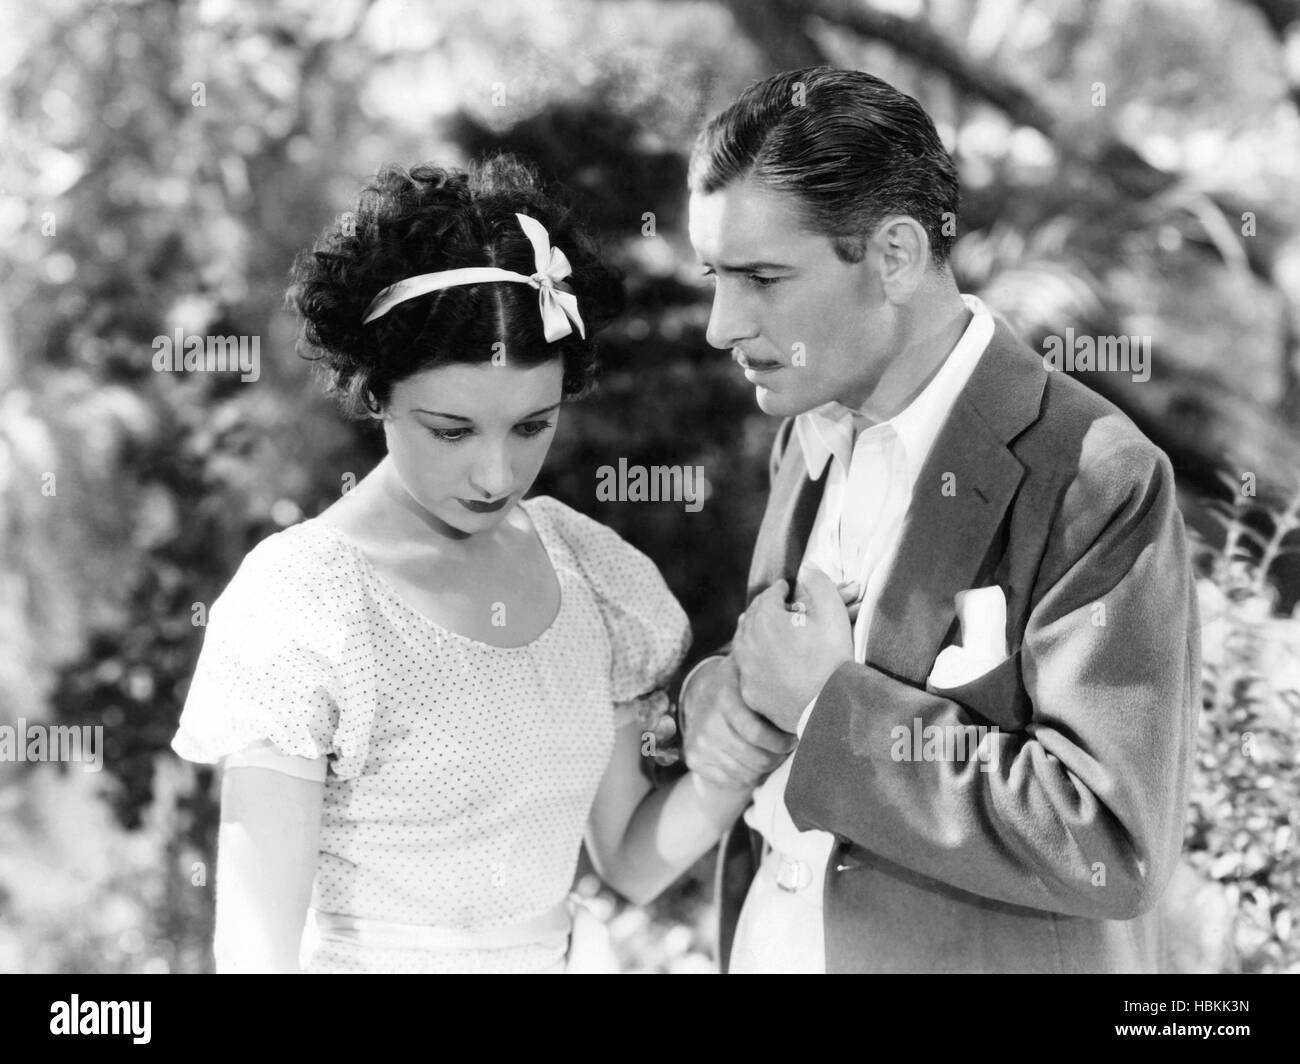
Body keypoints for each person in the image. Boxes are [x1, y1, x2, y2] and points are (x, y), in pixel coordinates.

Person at [675, 67, 1201, 973]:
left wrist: (826, 709)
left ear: (895, 255)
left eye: (761, 277)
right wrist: (713, 696)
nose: (723, 324)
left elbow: (1112, 838)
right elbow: (783, 661)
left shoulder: (1096, 477)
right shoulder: (803, 432)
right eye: (716, 275)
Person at [171, 155, 750, 973]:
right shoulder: (303, 604)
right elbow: (254, 955)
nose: (497, 476)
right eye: (451, 430)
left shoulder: (586, 571)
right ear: (376, 392)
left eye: (531, 426)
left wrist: (755, 741)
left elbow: (630, 857)